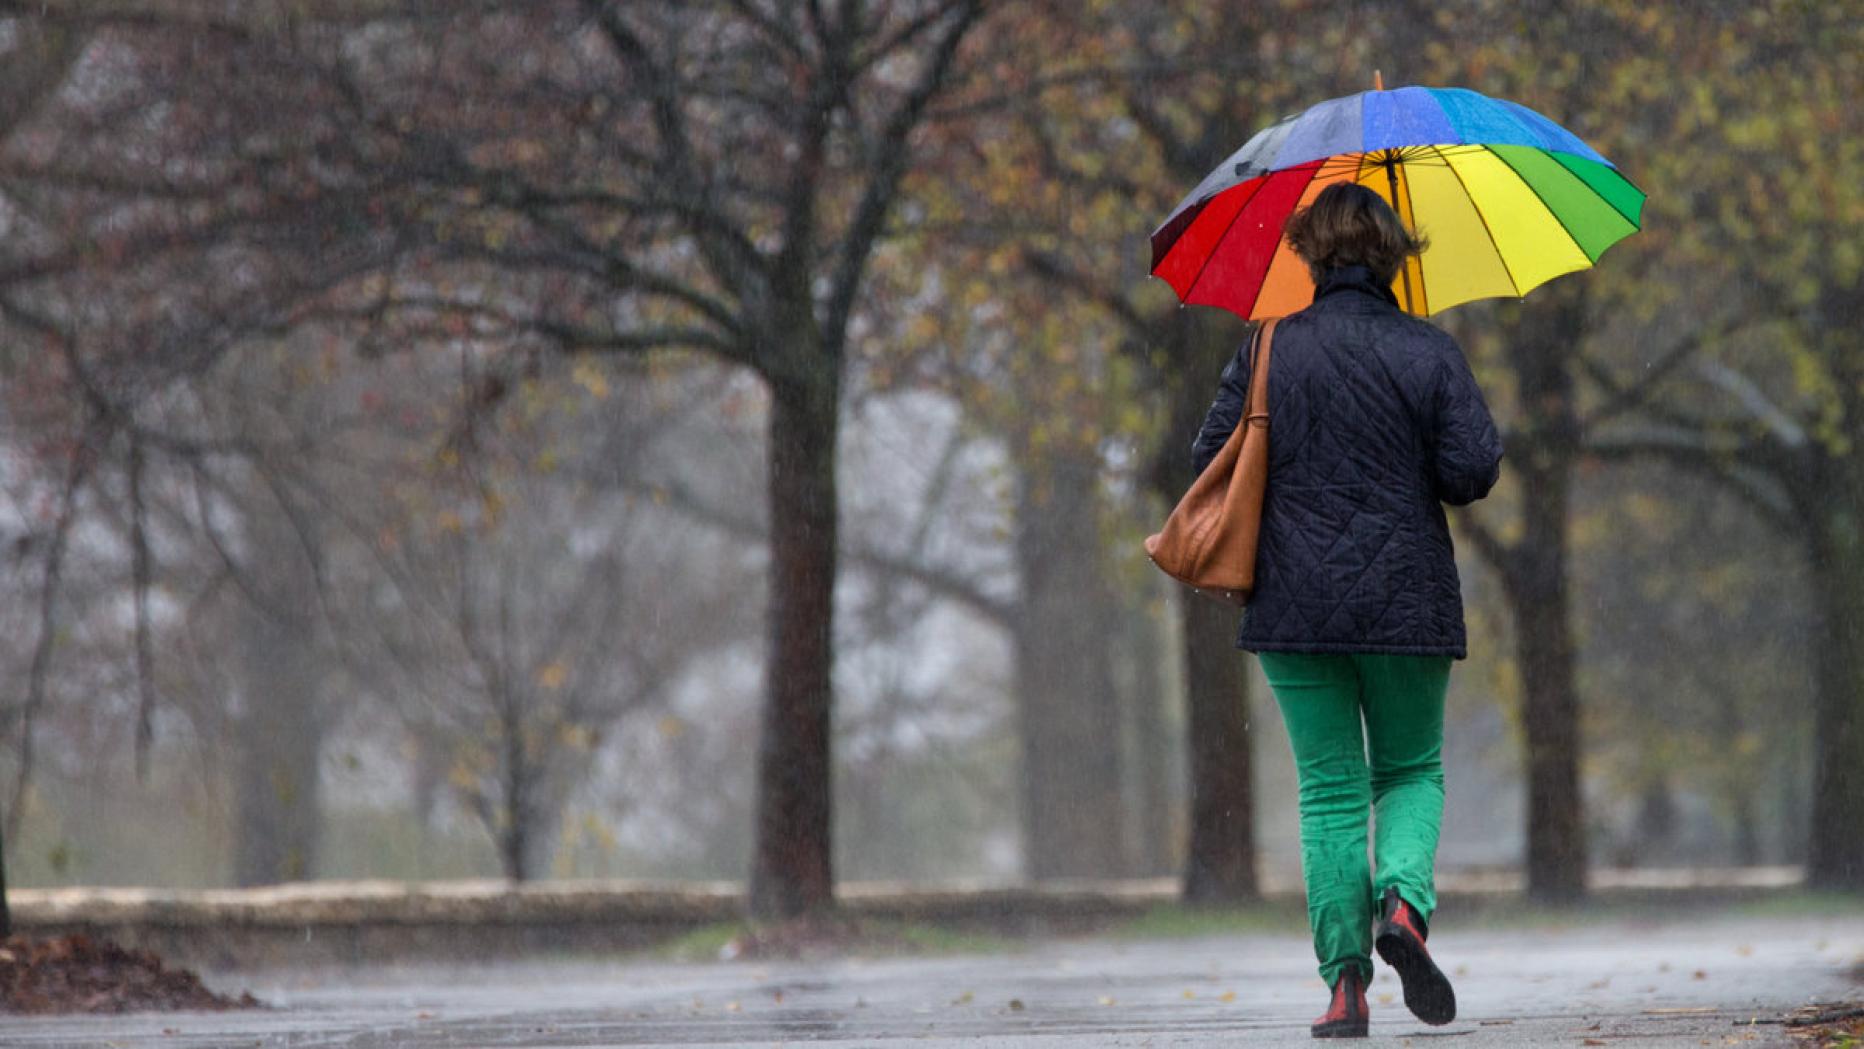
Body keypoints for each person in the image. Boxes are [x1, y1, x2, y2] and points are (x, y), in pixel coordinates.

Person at [1190, 182, 1504, 1039]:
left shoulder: (1265, 349)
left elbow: (1209, 458)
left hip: (1295, 608)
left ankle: (1345, 989)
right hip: (1408, 604)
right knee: (1409, 770)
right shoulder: (1429, 350)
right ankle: (1404, 903)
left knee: (1329, 792)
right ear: (1394, 254)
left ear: (1307, 252)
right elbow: (1471, 472)